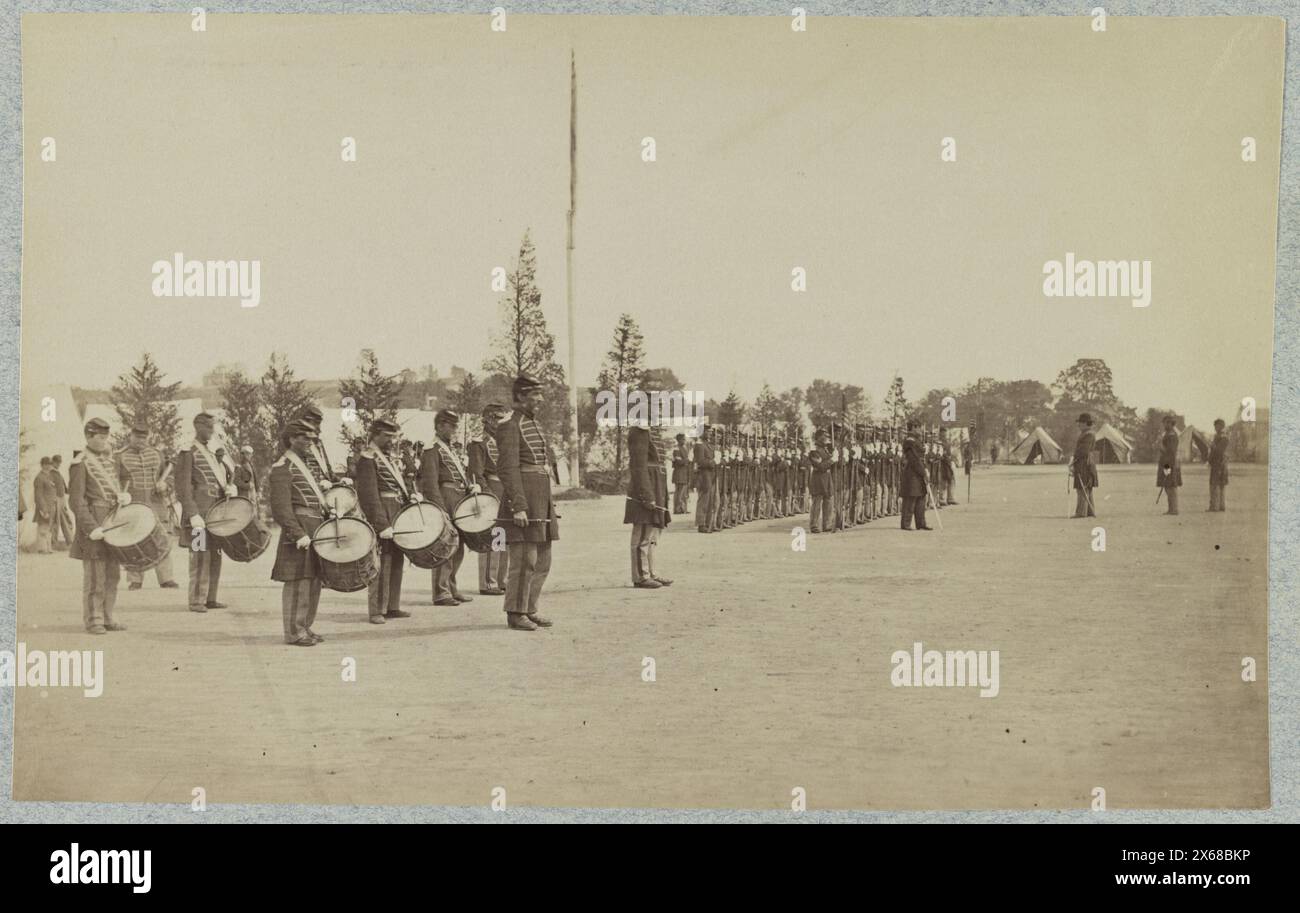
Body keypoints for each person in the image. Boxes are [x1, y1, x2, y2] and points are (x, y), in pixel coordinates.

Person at [495, 375, 559, 631]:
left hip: (540, 499)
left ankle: (529, 608)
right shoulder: (510, 425)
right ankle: (515, 612)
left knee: (543, 559)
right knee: (524, 560)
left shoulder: (533, 423)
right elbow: (508, 468)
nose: (540, 400)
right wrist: (518, 505)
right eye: (535, 395)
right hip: (524, 501)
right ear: (520, 396)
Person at [269, 420, 330, 646]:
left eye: (312, 438)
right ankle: (294, 632)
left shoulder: (306, 465)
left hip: (314, 527)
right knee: (297, 582)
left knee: (313, 580)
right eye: (305, 437)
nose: (309, 442)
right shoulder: (283, 467)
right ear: (292, 439)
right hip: (299, 533)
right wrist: (297, 533)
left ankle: (305, 626)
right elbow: (281, 508)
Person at [68, 417, 127, 634]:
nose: (104, 441)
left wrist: (124, 495)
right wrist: (91, 527)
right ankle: (94, 619)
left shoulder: (110, 461)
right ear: (88, 436)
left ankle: (108, 617)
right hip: (93, 525)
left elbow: (119, 483)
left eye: (105, 437)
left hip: (112, 522)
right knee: (95, 576)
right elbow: (76, 501)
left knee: (113, 574)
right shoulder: (80, 463)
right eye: (100, 437)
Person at [175, 412, 236, 613]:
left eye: (213, 427)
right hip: (198, 516)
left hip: (215, 515)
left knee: (216, 554)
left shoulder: (211, 453)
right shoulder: (188, 452)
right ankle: (196, 600)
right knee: (199, 556)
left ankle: (210, 597)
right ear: (197, 426)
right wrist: (192, 514)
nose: (211, 431)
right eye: (208, 427)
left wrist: (227, 489)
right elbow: (183, 488)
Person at [354, 418, 412, 624]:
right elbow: (369, 496)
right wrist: (381, 524)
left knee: (397, 560)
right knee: (381, 563)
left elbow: (402, 484)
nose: (391, 440)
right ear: (376, 434)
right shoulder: (368, 458)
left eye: (393, 436)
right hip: (383, 513)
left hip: (397, 512)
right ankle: (376, 609)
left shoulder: (390, 458)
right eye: (387, 436)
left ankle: (392, 605)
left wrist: (411, 496)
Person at [419, 409, 476, 606]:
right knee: (445, 546)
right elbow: (430, 483)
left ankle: (452, 587)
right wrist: (439, 508)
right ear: (440, 425)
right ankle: (441, 592)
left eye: (455, 426)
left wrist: (470, 485)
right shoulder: (432, 449)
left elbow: (459, 474)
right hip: (446, 498)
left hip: (459, 500)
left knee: (458, 546)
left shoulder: (450, 449)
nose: (455, 430)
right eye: (451, 426)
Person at [117, 422, 179, 590]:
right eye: (137, 437)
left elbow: (170, 478)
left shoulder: (158, 455)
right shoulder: (120, 456)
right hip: (133, 504)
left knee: (162, 539)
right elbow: (114, 481)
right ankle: (135, 579)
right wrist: (120, 496)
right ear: (131, 436)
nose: (140, 441)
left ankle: (166, 578)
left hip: (156, 504)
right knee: (133, 541)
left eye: (144, 438)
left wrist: (165, 485)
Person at [467, 403, 510, 596]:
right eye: (499, 418)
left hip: (506, 491)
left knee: (504, 537)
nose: (501, 422)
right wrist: (487, 496)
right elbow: (476, 473)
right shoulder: (479, 443)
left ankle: (502, 579)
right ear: (489, 419)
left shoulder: (504, 441)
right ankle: (488, 581)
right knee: (492, 538)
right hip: (491, 490)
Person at [626, 421, 672, 588]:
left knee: (653, 535)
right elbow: (638, 467)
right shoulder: (638, 432)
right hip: (645, 488)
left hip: (656, 485)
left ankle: (651, 572)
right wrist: (647, 494)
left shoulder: (652, 432)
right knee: (642, 535)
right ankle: (640, 576)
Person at [900, 429, 932, 531]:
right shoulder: (910, 443)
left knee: (921, 499)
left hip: (919, 473)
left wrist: (926, 469)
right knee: (911, 499)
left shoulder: (917, 443)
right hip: (912, 474)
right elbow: (915, 461)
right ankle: (906, 524)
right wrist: (923, 472)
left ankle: (921, 523)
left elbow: (922, 459)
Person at [1071, 413, 1098, 518]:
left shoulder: (1088, 434)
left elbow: (1083, 451)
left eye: (1080, 423)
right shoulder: (1087, 433)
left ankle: (1081, 512)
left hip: (1084, 463)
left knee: (1082, 487)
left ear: (1086, 423)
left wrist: (1073, 459)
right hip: (1085, 462)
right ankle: (1089, 511)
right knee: (1087, 487)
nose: (1078, 425)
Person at [808, 428, 834, 534]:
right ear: (818, 438)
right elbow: (821, 466)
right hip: (818, 479)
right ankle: (814, 525)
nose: (826, 438)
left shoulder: (826, 450)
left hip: (827, 478)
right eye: (824, 436)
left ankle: (827, 524)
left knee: (829, 500)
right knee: (817, 503)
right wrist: (832, 460)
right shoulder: (814, 452)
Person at [1157, 413, 1182, 516]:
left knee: (1170, 485)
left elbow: (1170, 452)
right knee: (1168, 485)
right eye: (1164, 423)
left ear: (1172, 424)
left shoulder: (1171, 436)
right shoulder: (1168, 435)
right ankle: (1171, 508)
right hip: (1166, 463)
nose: (1165, 425)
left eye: (1168, 423)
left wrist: (1161, 446)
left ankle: (1174, 509)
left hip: (1169, 463)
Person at [693, 425, 717, 533]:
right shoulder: (699, 445)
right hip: (703, 476)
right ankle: (701, 524)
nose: (710, 434)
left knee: (709, 501)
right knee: (703, 501)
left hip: (710, 475)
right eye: (707, 432)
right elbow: (700, 461)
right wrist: (712, 462)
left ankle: (707, 523)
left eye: (710, 432)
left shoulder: (708, 445)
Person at [33, 457, 59, 554]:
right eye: (46, 464)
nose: (49, 466)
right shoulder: (39, 478)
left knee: (49, 528)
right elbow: (38, 496)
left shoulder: (49, 476)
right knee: (43, 527)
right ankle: (42, 548)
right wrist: (43, 509)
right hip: (44, 507)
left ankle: (48, 548)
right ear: (42, 465)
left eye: (50, 464)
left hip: (51, 507)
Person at [49, 453, 74, 549]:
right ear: (53, 462)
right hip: (55, 499)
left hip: (62, 498)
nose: (59, 464)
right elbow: (50, 487)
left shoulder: (57, 472)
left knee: (66, 519)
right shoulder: (50, 473)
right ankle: (53, 543)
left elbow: (63, 485)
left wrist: (69, 491)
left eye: (60, 463)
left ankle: (70, 541)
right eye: (57, 463)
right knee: (55, 521)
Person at [1209, 418, 1229, 511]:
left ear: (1222, 426)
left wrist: (1213, 446)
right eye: (1215, 426)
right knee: (1220, 485)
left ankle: (1215, 506)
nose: (1215, 428)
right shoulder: (1219, 437)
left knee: (1216, 485)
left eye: (1217, 426)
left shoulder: (1223, 437)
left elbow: (1219, 451)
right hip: (1220, 464)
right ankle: (1220, 506)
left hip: (1219, 464)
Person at [671, 433, 691, 514]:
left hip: (684, 472)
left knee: (683, 491)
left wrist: (686, 461)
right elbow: (679, 462)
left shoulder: (684, 448)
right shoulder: (676, 449)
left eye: (684, 439)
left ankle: (683, 508)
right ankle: (677, 509)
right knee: (679, 491)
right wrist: (687, 460)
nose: (684, 441)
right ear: (678, 440)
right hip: (679, 472)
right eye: (683, 439)